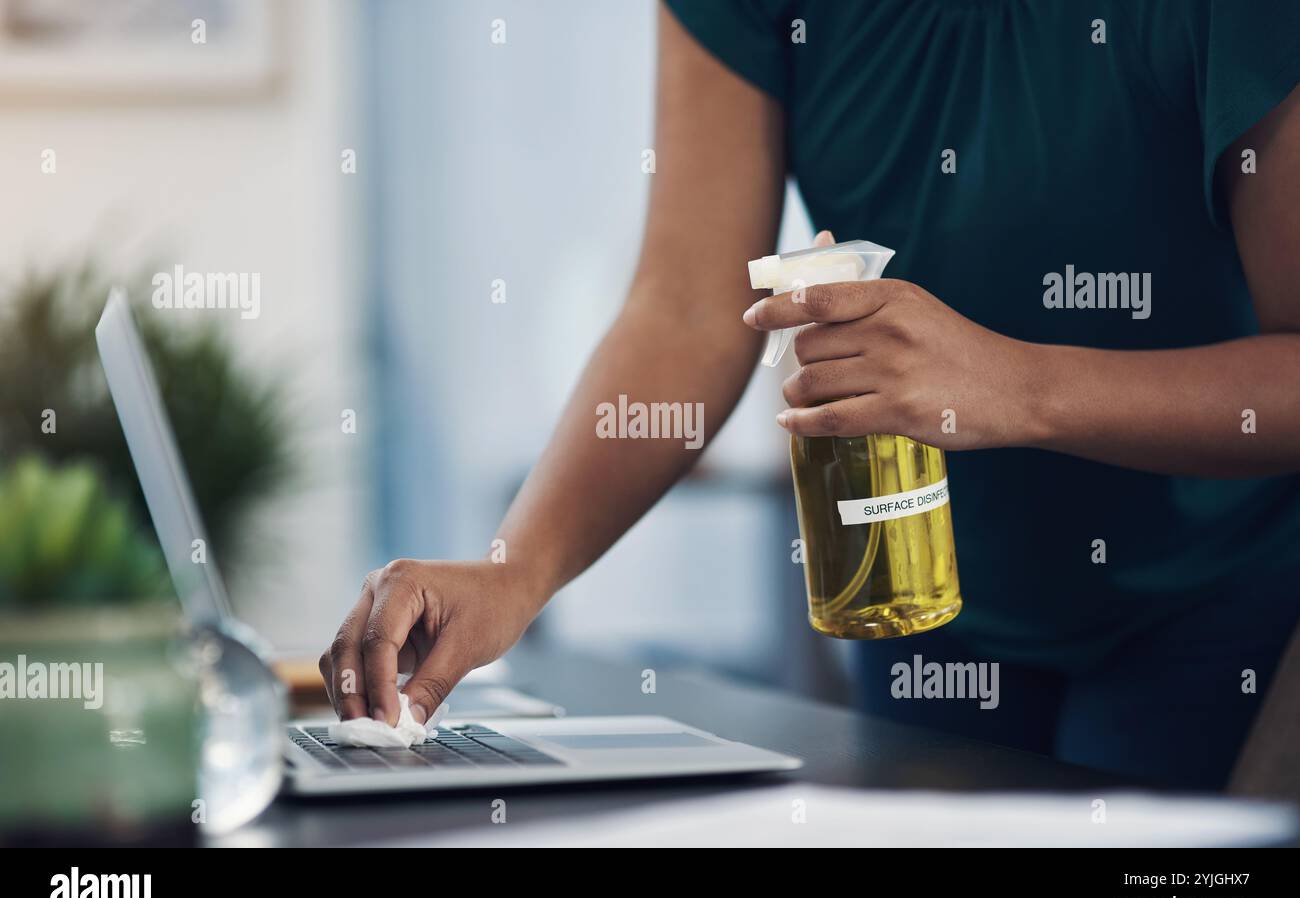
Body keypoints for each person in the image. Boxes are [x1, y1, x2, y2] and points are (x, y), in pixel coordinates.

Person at [321, 0, 1300, 788]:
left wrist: (1017, 385)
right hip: (919, 595)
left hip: (1212, 592)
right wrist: (512, 570)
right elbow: (688, 308)